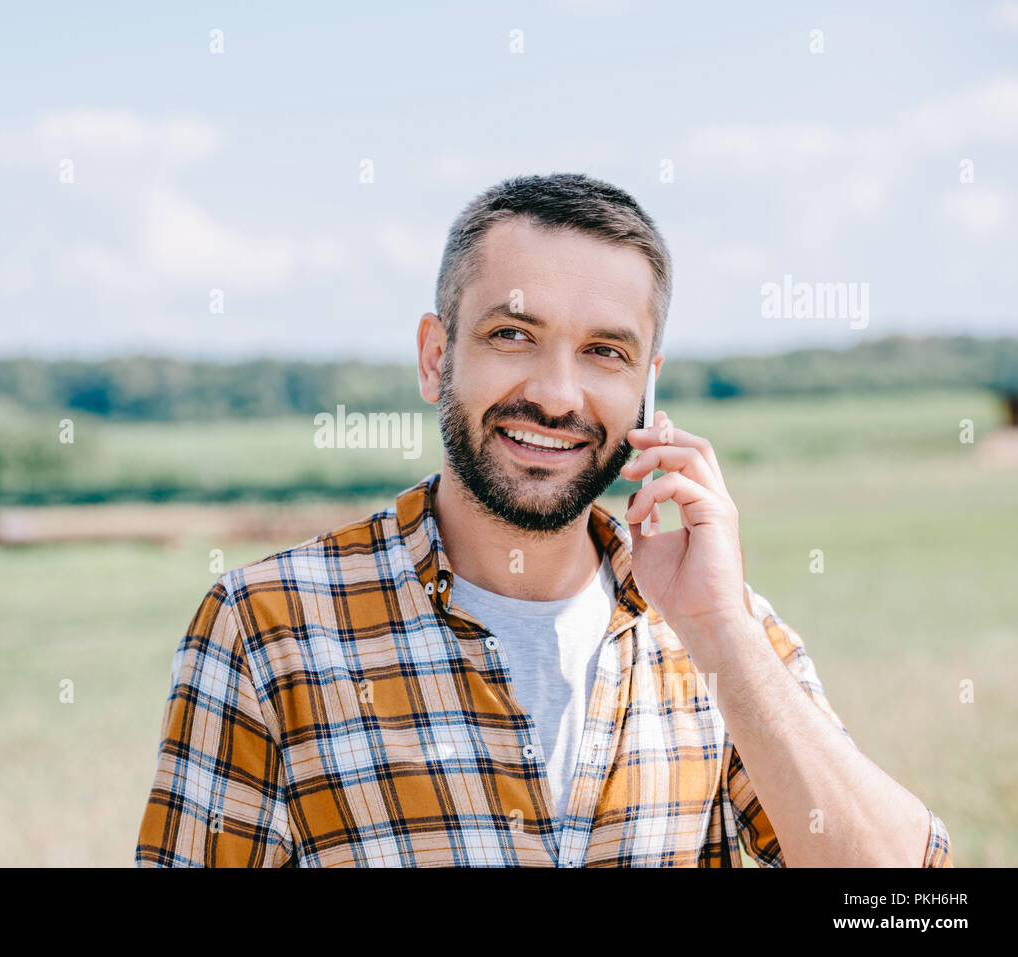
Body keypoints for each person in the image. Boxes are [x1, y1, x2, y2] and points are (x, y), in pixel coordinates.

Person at [135, 173, 953, 867]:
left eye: (606, 351)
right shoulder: (265, 627)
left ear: (648, 388)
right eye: (513, 334)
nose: (558, 394)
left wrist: (724, 637)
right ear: (435, 356)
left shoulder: (728, 640)